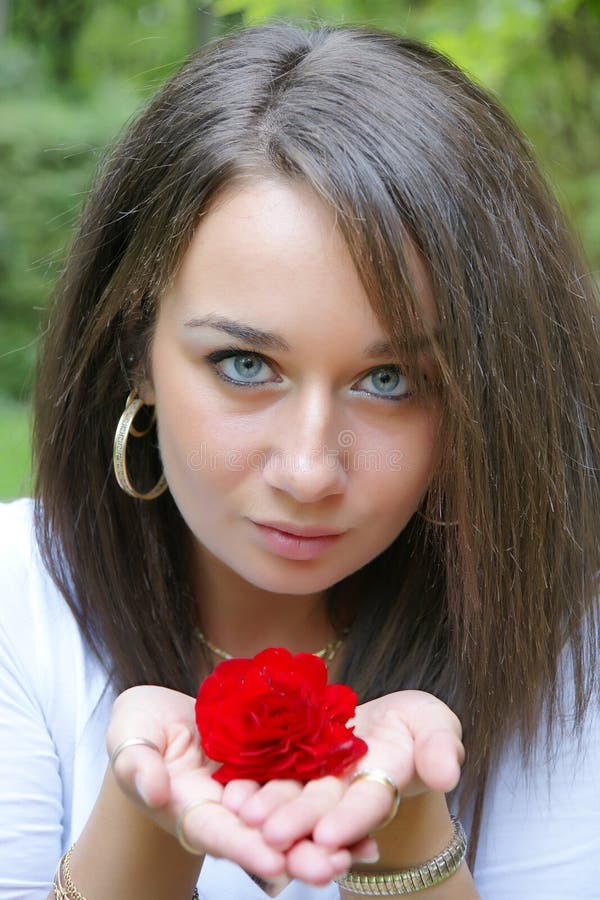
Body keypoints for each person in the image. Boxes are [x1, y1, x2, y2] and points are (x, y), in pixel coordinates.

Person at [0, 20, 598, 900]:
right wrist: (143, 831)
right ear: (136, 351)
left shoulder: (564, 641)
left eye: (389, 379)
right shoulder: (17, 607)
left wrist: (410, 837)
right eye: (246, 366)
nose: (310, 470)